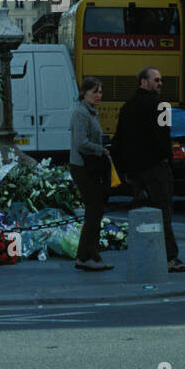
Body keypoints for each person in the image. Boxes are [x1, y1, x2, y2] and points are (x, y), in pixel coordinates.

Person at [110, 66, 185, 272]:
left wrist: (125, 170)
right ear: (143, 82)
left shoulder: (127, 107)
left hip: (136, 171)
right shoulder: (162, 106)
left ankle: (143, 254)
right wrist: (167, 161)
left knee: (140, 211)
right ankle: (170, 257)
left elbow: (119, 141)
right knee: (163, 212)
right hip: (156, 169)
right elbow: (164, 138)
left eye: (161, 80)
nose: (160, 84)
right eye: (156, 80)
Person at [69, 77, 114, 271]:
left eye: (100, 92)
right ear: (84, 93)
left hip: (88, 167)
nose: (98, 95)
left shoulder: (91, 112)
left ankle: (87, 256)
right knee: (94, 211)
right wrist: (100, 150)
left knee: (94, 212)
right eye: (95, 91)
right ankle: (88, 257)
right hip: (83, 167)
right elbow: (80, 142)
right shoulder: (81, 113)